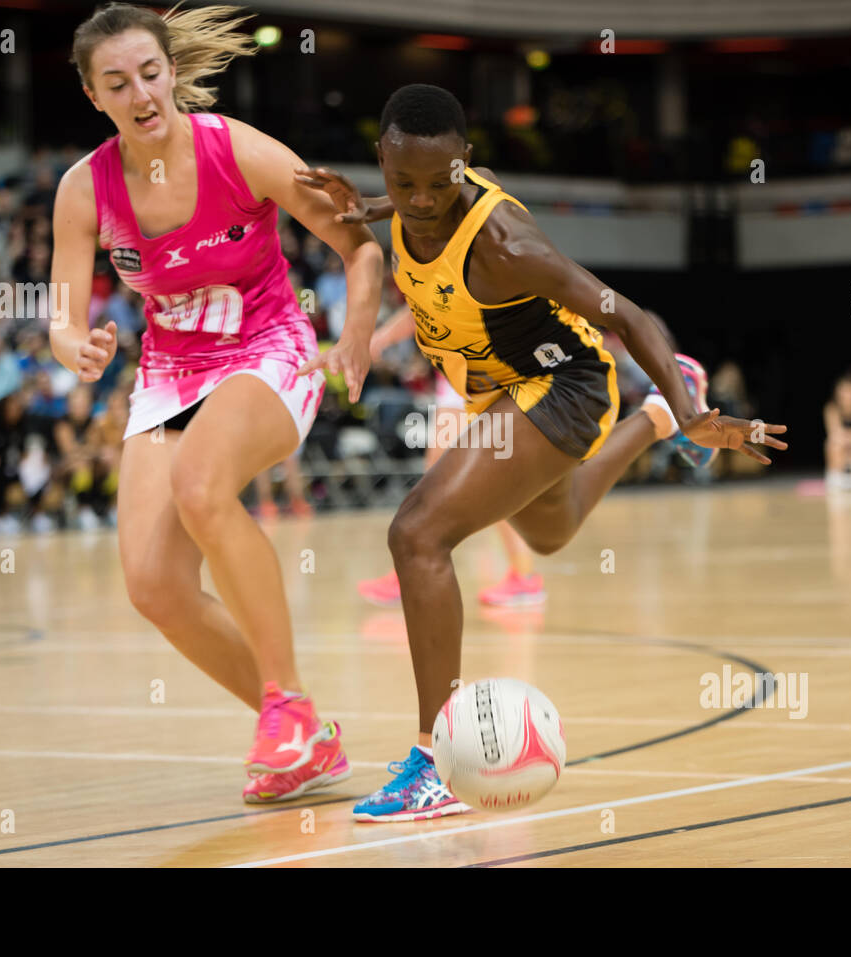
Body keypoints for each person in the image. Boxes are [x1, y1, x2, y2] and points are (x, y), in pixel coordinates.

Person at [300, 84, 786, 821]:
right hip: (501, 391)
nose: (423, 200)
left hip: (561, 387)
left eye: (440, 182)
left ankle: (432, 762)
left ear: (466, 162)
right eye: (405, 184)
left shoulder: (505, 247)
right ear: (383, 163)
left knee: (417, 532)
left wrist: (698, 416)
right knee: (550, 532)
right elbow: (406, 202)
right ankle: (650, 418)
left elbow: (626, 313)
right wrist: (371, 205)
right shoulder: (403, 199)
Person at [48, 2, 383, 801]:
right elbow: (62, 316)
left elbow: (360, 242)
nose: (141, 94)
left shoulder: (237, 149)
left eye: (152, 73)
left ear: (172, 72)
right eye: (117, 83)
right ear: (95, 96)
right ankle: (307, 739)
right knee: (154, 585)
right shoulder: (82, 188)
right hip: (170, 373)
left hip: (273, 349)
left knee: (202, 484)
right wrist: (75, 344)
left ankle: (288, 702)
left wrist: (358, 333)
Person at [356, 303, 544, 608]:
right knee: (442, 480)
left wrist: (380, 339)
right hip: (460, 376)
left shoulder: (462, 265)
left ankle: (523, 577)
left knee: (468, 482)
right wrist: (382, 338)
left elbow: (420, 310)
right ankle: (411, 572)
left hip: (483, 373)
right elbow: (419, 310)